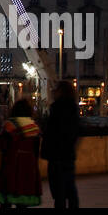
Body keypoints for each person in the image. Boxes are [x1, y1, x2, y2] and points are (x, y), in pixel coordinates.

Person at [0, 99, 42, 208]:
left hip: (10, 165)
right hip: (28, 167)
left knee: (6, 201)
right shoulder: (34, 127)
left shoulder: (9, 125)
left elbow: (1, 144)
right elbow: (36, 150)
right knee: (22, 201)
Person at [42, 80, 80, 208]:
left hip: (56, 156)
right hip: (68, 155)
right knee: (70, 188)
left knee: (59, 192)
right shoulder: (73, 109)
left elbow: (51, 132)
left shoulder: (57, 108)